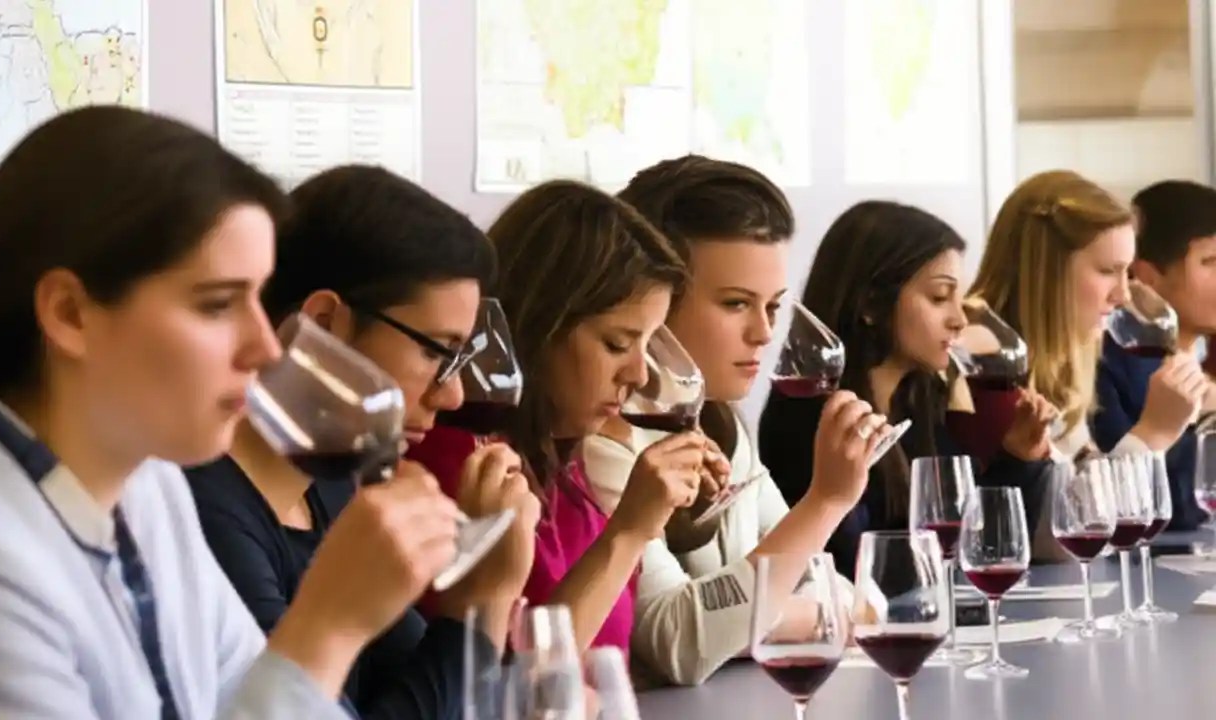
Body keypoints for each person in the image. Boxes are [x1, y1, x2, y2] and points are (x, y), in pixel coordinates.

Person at [0, 107, 462, 718]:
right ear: (70, 314)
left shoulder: (150, 483)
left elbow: (244, 691)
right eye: (217, 305)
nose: (266, 348)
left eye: (258, 299)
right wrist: (329, 626)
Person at [186, 165, 540, 717]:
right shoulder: (205, 517)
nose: (452, 396)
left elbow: (424, 689)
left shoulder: (328, 488)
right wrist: (485, 600)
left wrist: (482, 598)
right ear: (324, 321)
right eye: (435, 352)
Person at [579, 156, 884, 685]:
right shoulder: (603, 445)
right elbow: (680, 641)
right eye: (737, 304)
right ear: (653, 300)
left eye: (773, 307)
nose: (764, 333)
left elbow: (838, 590)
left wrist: (753, 618)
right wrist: (825, 502)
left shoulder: (724, 426)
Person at [407, 181, 711, 654]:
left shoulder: (561, 459)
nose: (638, 374)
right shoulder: (458, 466)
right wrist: (628, 532)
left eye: (648, 344)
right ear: (539, 327)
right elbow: (518, 674)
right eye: (617, 344)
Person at [759, 201, 1055, 576]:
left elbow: (975, 544)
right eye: (939, 297)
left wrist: (1018, 459)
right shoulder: (814, 419)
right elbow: (857, 572)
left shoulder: (920, 401)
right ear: (870, 303)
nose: (960, 320)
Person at [969, 171, 1205, 462]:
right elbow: (1068, 492)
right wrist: (1154, 433)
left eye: (1126, 272)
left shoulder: (1065, 361)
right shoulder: (986, 365)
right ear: (1047, 272)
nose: (1123, 295)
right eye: (1107, 271)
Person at [1091, 180, 1216, 530]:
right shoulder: (1110, 365)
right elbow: (1175, 504)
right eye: (1210, 261)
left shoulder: (1197, 356)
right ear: (1147, 276)